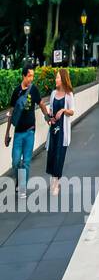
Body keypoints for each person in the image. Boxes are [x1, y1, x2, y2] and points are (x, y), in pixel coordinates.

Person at [5, 66, 49, 195]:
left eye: (33, 76)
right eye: (29, 76)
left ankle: (22, 188)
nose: (31, 78)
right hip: (18, 132)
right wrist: (7, 133)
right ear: (24, 76)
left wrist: (47, 117)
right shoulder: (16, 92)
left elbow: (41, 104)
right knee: (16, 161)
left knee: (27, 161)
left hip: (30, 131)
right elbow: (11, 113)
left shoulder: (33, 90)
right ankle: (19, 181)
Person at [43, 69, 76, 196]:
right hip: (53, 131)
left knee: (59, 157)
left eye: (58, 77)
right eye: (56, 78)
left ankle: (56, 183)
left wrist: (63, 110)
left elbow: (72, 111)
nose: (56, 80)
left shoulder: (69, 94)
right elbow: (51, 109)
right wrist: (49, 117)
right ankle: (54, 179)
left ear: (63, 79)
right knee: (51, 155)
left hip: (63, 132)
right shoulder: (53, 94)